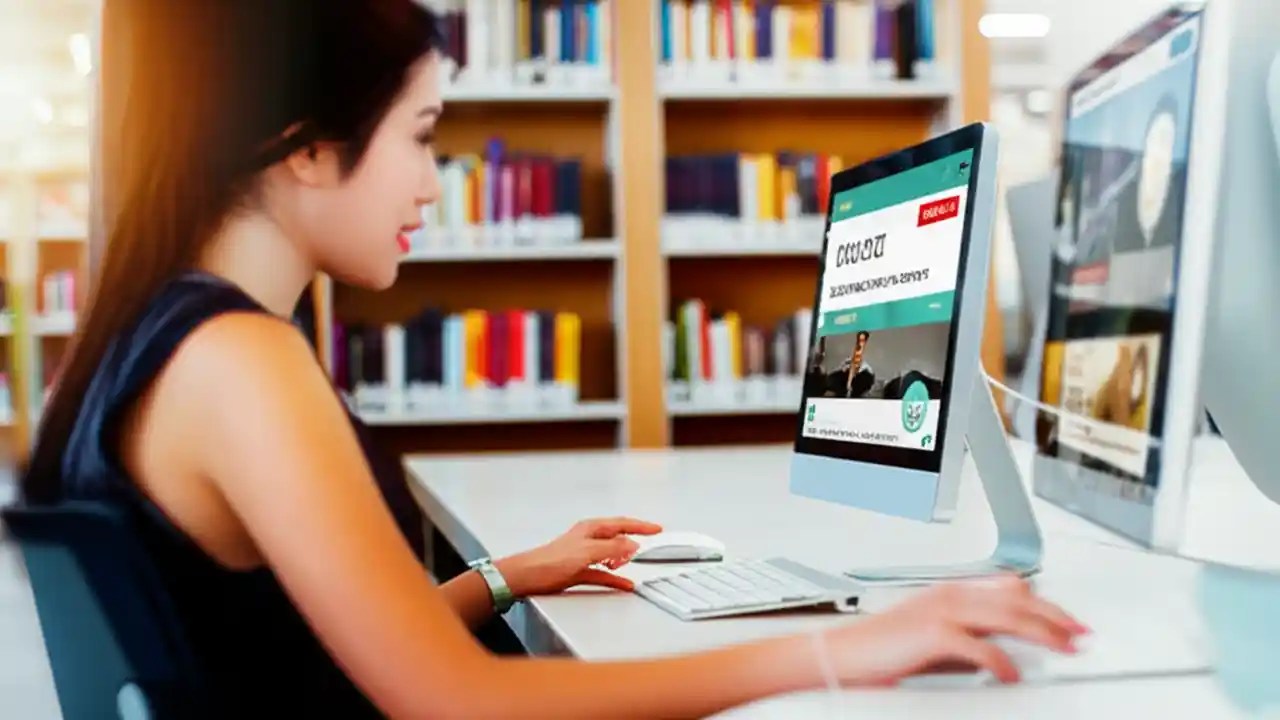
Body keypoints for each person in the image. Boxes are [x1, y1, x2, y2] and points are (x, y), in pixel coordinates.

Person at [19, 2, 1086, 717]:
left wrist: (505, 576)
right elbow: (450, 702)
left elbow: (289, 654)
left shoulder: (152, 340)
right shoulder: (240, 363)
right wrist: (840, 653)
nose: (432, 187)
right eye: (423, 133)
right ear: (306, 144)